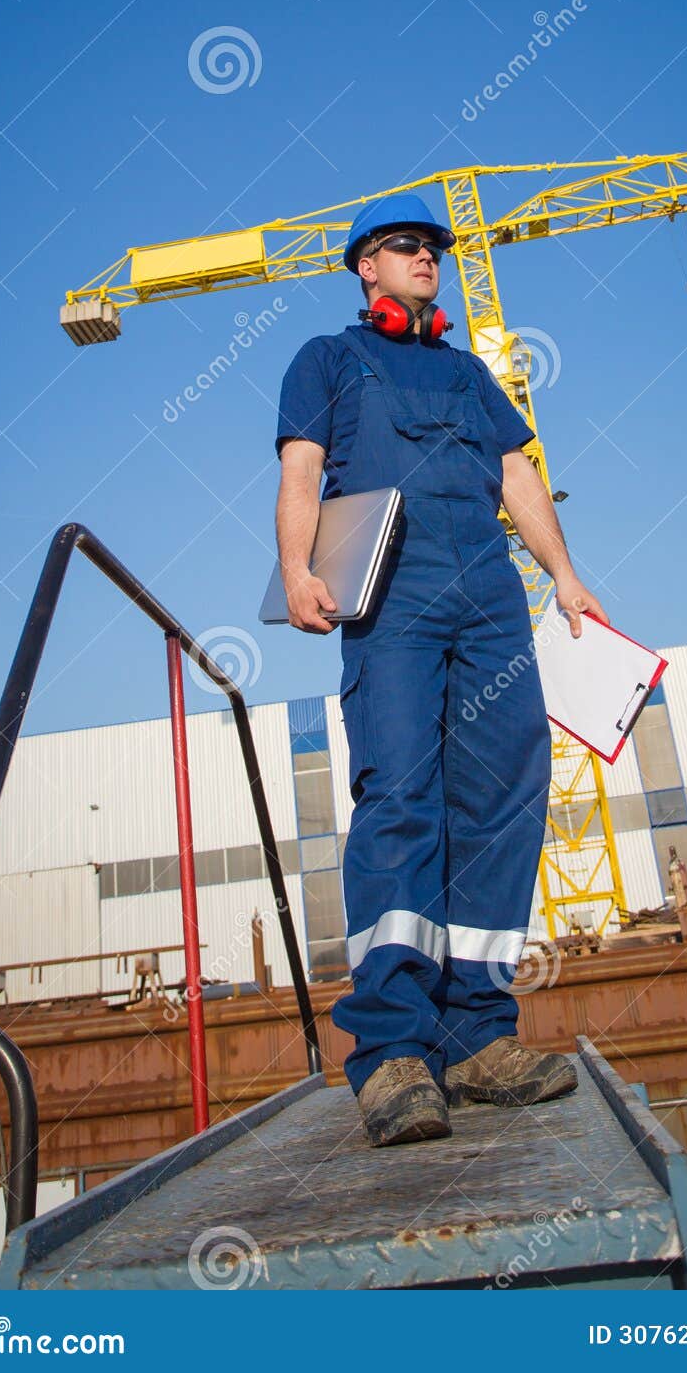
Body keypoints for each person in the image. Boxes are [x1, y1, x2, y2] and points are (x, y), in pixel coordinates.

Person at [274, 191, 608, 1147]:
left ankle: (475, 1037)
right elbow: (302, 470)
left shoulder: (466, 373)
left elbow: (514, 474)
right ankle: (392, 1054)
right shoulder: (329, 360)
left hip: (490, 603)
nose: (428, 257)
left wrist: (566, 575)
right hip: (392, 603)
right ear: (363, 267)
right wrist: (298, 569)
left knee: (504, 799)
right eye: (405, 246)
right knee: (402, 799)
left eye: (434, 247)